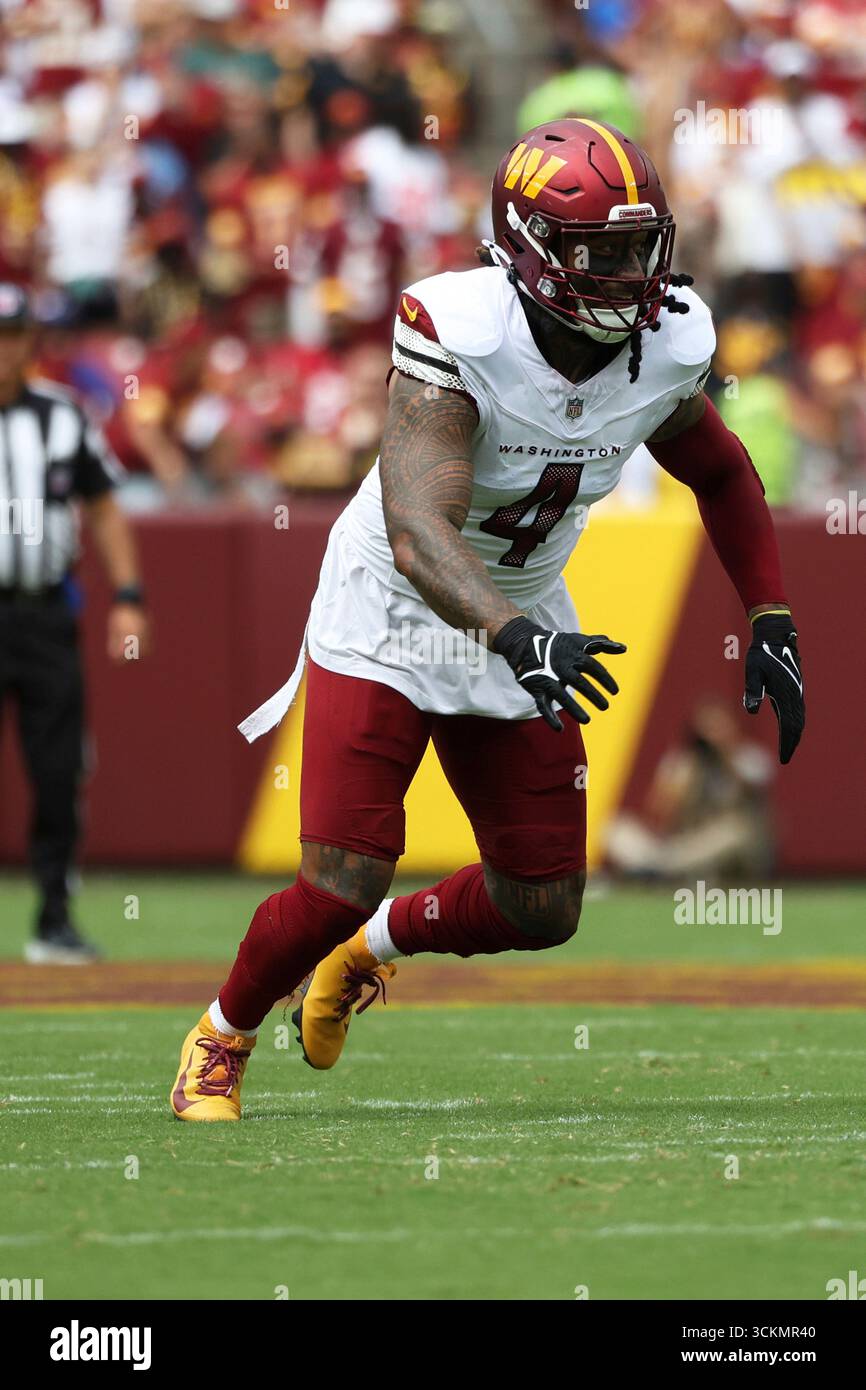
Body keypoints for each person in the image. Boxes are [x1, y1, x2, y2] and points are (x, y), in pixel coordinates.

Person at [169, 119, 806, 1122]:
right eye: (596, 248)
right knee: (340, 873)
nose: (625, 272)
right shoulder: (461, 328)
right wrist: (517, 638)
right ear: (527, 245)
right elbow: (420, 529)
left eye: (637, 248)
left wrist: (767, 611)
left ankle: (365, 949)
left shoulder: (666, 342)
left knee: (542, 901)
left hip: (525, 613)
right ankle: (222, 1032)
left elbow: (719, 469)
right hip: (396, 605)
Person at [0, 284, 149, 963]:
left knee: (58, 771)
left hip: (42, 615)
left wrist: (128, 593)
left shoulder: (62, 416)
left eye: (13, 334)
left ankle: (54, 917)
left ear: (31, 341)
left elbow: (104, 506)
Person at [605, 697, 775, 880]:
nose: (712, 737)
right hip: (684, 843)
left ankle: (659, 869)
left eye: (718, 728)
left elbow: (753, 803)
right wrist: (682, 785)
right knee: (616, 829)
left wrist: (725, 757)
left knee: (732, 831)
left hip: (734, 850)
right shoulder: (683, 763)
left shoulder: (750, 758)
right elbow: (657, 815)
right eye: (707, 730)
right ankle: (661, 868)